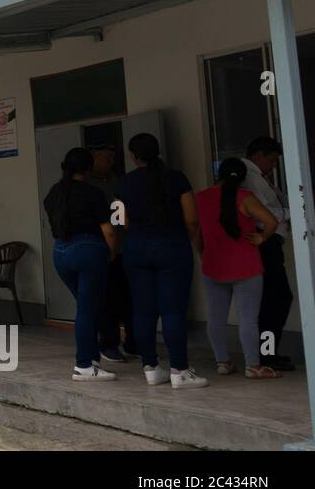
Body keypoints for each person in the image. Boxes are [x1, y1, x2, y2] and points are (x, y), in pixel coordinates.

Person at [116, 133, 208, 389]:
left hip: (136, 248)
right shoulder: (176, 178)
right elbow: (191, 218)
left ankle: (151, 367)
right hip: (172, 246)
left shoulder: (124, 183)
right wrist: (183, 239)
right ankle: (180, 370)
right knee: (173, 310)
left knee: (143, 311)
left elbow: (120, 220)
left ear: (133, 156)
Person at [194, 158, 280, 379]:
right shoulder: (246, 198)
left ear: (219, 174)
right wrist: (262, 237)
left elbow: (197, 231)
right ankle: (253, 365)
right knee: (248, 318)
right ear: (243, 178)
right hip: (246, 265)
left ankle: (222, 362)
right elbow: (272, 221)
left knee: (215, 317)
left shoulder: (201, 197)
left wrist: (203, 253)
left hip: (213, 264)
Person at [43, 148, 119, 380]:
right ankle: (84, 364)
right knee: (87, 309)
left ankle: (93, 357)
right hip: (88, 250)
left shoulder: (53, 193)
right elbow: (109, 230)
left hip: (60, 252)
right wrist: (112, 253)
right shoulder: (92, 192)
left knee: (88, 306)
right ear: (88, 169)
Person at [243, 136, 294, 371]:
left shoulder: (261, 178)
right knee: (276, 300)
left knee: (273, 300)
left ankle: (268, 352)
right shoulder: (251, 177)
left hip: (271, 243)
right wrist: (291, 211)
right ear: (259, 155)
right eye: (271, 161)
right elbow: (264, 212)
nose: (273, 166)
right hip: (265, 243)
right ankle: (267, 353)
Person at [85, 141, 137, 362]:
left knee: (129, 299)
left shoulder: (120, 181)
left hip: (125, 247)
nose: (111, 161)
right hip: (103, 249)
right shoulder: (88, 186)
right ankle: (109, 343)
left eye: (113, 158)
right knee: (107, 300)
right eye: (106, 157)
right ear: (93, 158)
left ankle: (134, 343)